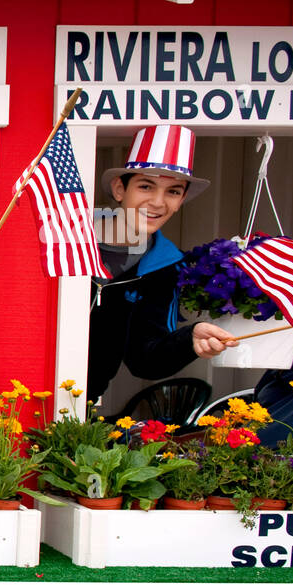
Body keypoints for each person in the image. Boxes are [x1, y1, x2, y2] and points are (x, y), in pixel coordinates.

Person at [89, 125, 234, 403]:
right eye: (146, 186)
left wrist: (189, 340)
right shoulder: (64, 238)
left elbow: (145, 361)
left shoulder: (166, 267)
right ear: (120, 189)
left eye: (173, 191)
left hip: (78, 403)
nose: (158, 202)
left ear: (181, 200)